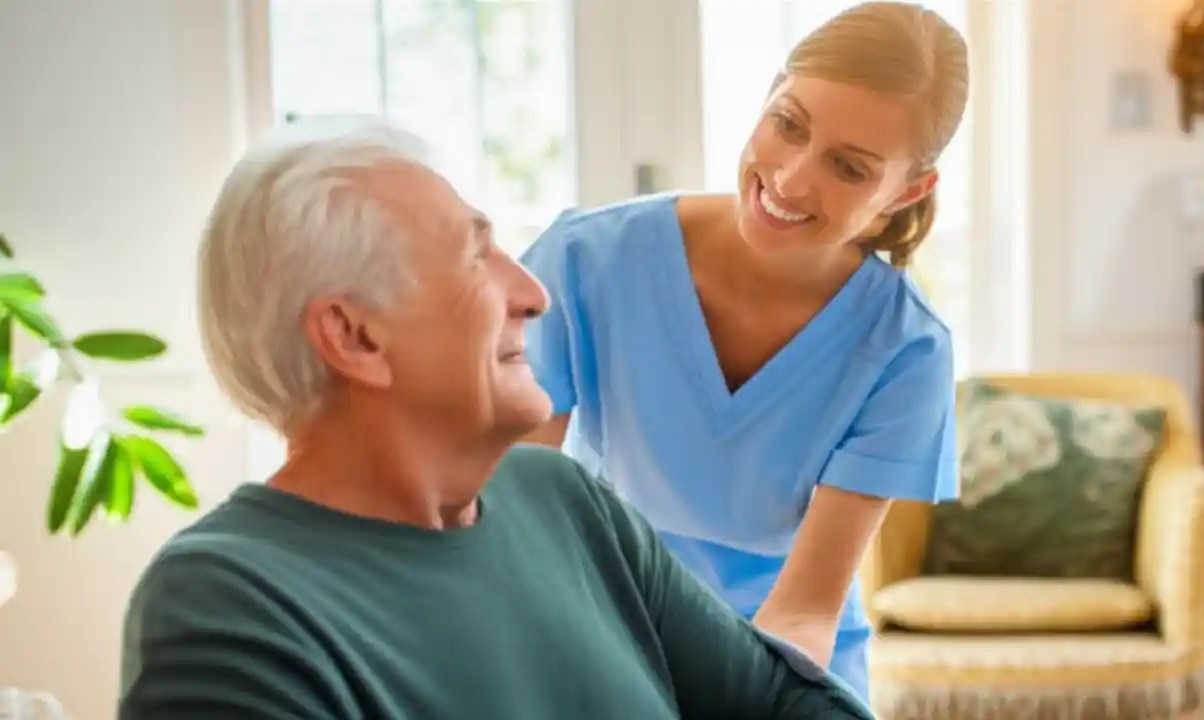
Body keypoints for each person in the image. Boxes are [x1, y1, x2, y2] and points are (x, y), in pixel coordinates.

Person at [116, 123, 873, 720]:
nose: (534, 293)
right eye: (476, 258)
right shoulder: (224, 605)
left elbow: (783, 703)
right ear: (353, 336)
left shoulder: (563, 501)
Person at [520, 1, 969, 696]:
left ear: (908, 190)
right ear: (767, 97)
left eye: (848, 168)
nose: (790, 179)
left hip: (782, 663)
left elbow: (807, 607)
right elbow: (509, 511)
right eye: (788, 125)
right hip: (603, 622)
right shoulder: (584, 261)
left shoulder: (907, 352)